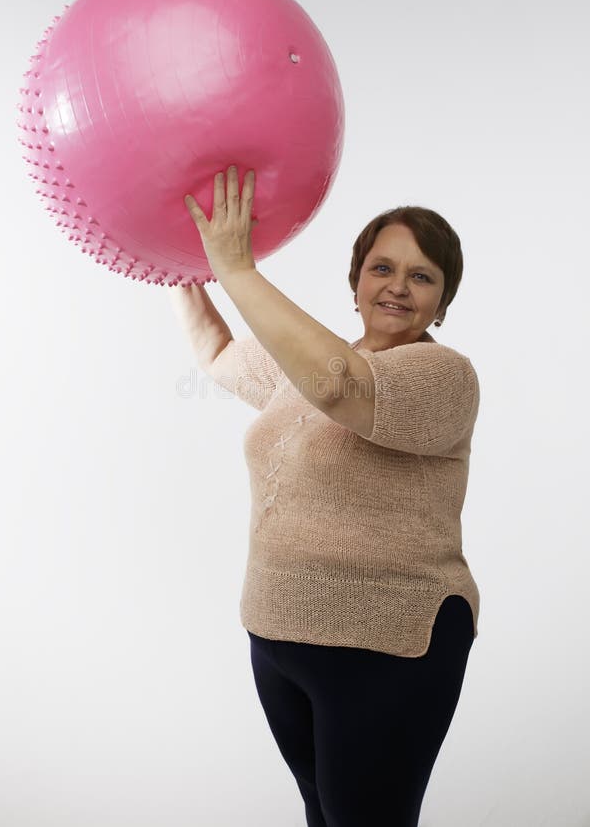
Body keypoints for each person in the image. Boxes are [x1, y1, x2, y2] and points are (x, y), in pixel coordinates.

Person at [169, 188, 481, 827]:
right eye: (382, 268)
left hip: (388, 645)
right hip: (280, 637)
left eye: (421, 275)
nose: (397, 286)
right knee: (323, 816)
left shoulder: (444, 376)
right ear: (356, 280)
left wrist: (238, 269)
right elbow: (218, 354)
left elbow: (345, 389)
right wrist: (177, 266)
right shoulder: (303, 367)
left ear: (443, 301)